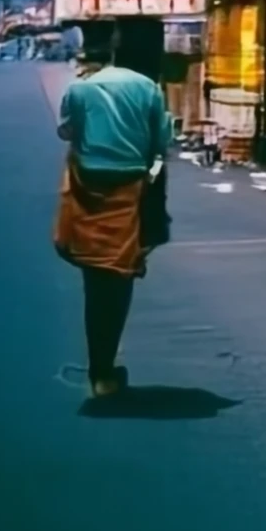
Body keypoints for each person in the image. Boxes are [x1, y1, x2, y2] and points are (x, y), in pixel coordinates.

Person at [54, 25, 172, 398]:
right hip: (131, 194)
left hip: (88, 195)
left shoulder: (79, 90)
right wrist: (150, 183)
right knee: (117, 282)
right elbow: (159, 148)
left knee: (94, 283)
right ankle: (104, 369)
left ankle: (100, 370)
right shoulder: (149, 90)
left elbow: (67, 133)